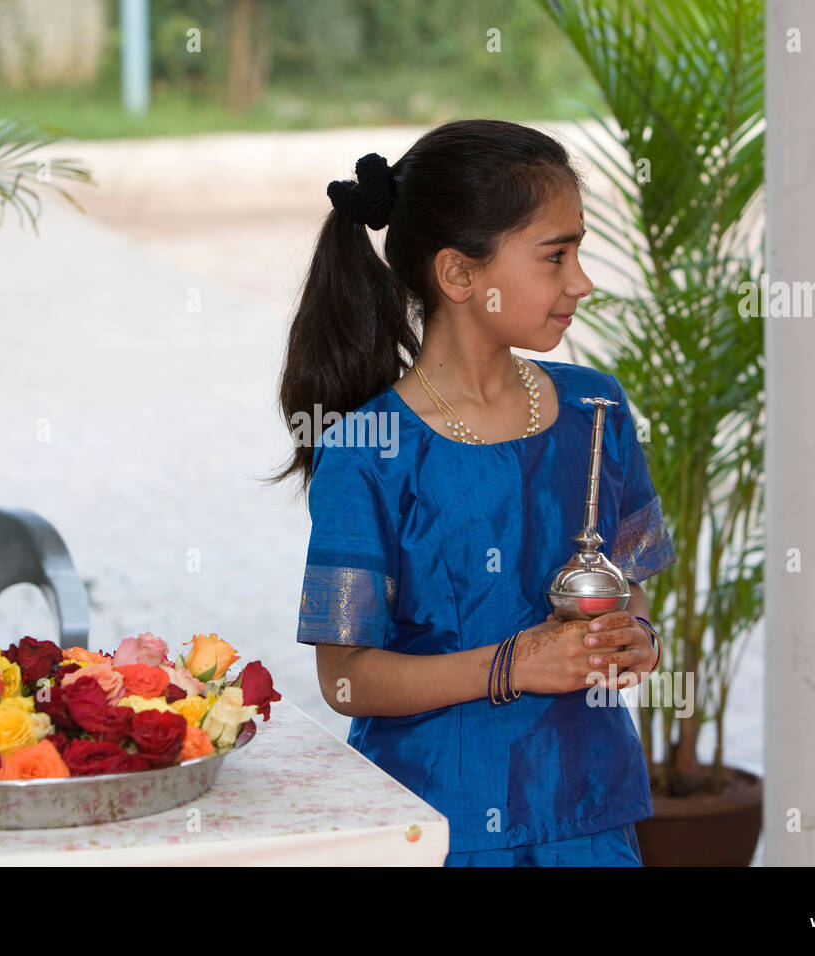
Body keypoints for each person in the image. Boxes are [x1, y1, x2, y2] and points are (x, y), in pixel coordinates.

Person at [268, 119, 677, 867]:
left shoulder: (598, 411)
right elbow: (347, 681)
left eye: (577, 251)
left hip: (589, 818)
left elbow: (633, 591)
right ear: (459, 276)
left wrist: (635, 639)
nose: (580, 281)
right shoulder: (369, 448)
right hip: (437, 826)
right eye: (556, 256)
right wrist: (515, 666)